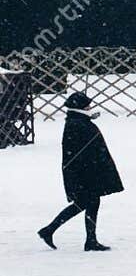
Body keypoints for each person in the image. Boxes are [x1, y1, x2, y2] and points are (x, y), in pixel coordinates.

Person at [39, 90, 121, 252]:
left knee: (88, 203)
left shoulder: (78, 121)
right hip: (84, 172)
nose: (90, 107)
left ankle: (85, 238)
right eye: (88, 106)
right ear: (81, 107)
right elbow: (84, 150)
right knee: (85, 203)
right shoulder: (77, 124)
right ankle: (54, 231)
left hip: (86, 171)